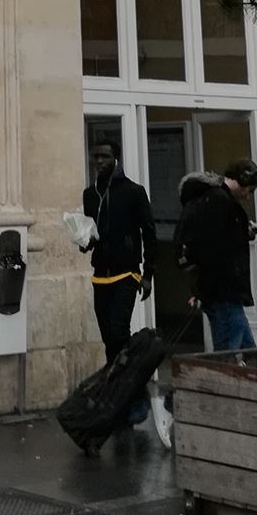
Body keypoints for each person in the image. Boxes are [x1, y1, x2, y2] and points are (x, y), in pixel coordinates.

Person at [80, 139, 158, 369]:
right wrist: (84, 241)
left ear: (116, 159)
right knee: (107, 336)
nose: (99, 161)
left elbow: (149, 232)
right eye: (96, 156)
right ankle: (115, 382)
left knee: (118, 331)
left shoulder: (133, 191)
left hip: (127, 273)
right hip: (100, 273)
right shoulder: (90, 194)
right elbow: (91, 232)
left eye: (104, 156)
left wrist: (148, 274)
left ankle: (129, 383)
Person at [176, 158, 257, 351]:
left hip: (224, 290)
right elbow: (211, 247)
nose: (248, 196)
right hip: (222, 289)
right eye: (250, 190)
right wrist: (201, 289)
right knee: (229, 352)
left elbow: (217, 239)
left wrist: (242, 231)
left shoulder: (212, 199)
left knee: (246, 348)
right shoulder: (219, 201)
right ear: (243, 180)